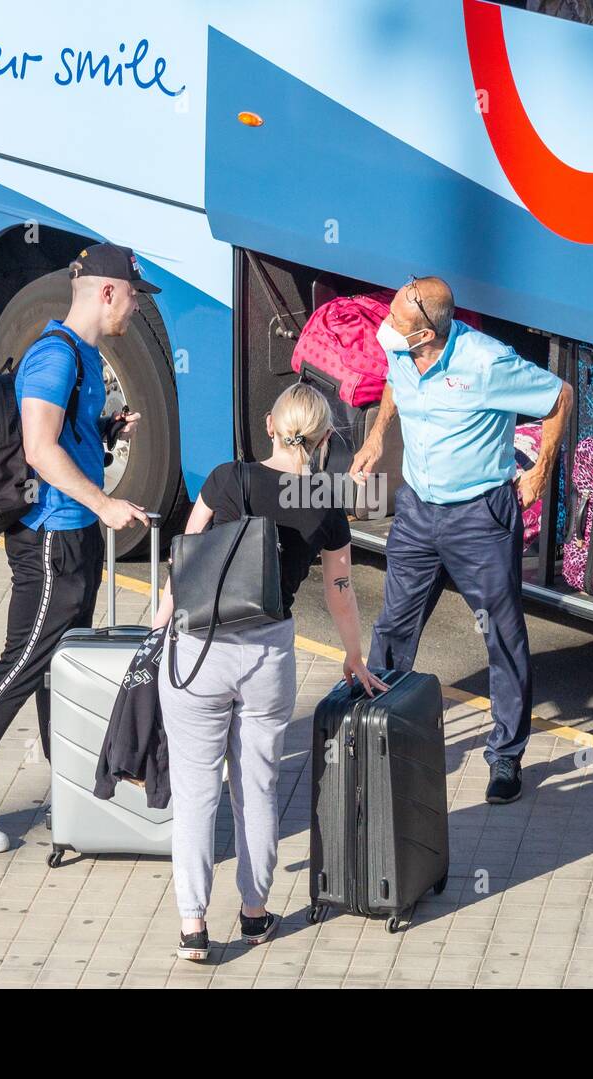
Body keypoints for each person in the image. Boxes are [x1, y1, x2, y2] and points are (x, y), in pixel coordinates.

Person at [0, 243, 155, 851]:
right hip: (52, 537)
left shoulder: (81, 354)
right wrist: (106, 503)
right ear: (107, 292)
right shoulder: (54, 357)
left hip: (74, 532)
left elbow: (65, 440)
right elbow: (39, 448)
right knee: (25, 663)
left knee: (62, 667)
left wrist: (104, 432)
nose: (137, 307)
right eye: (135, 295)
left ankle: (71, 791)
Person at [152, 382, 386, 961]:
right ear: (326, 438)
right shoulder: (326, 505)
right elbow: (339, 590)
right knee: (256, 787)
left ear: (269, 424)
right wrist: (354, 655)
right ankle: (255, 915)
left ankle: (192, 925)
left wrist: (158, 630)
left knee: (196, 791)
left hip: (200, 648)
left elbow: (185, 558)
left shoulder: (227, 479)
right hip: (267, 657)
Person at [350, 276, 573, 806]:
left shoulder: (486, 362)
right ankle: (380, 735)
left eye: (398, 325)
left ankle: (506, 757)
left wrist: (540, 472)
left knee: (501, 634)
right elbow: (394, 382)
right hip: (417, 513)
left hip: (480, 517)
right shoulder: (401, 347)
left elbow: (559, 396)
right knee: (393, 628)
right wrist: (378, 435)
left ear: (428, 332)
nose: (387, 330)